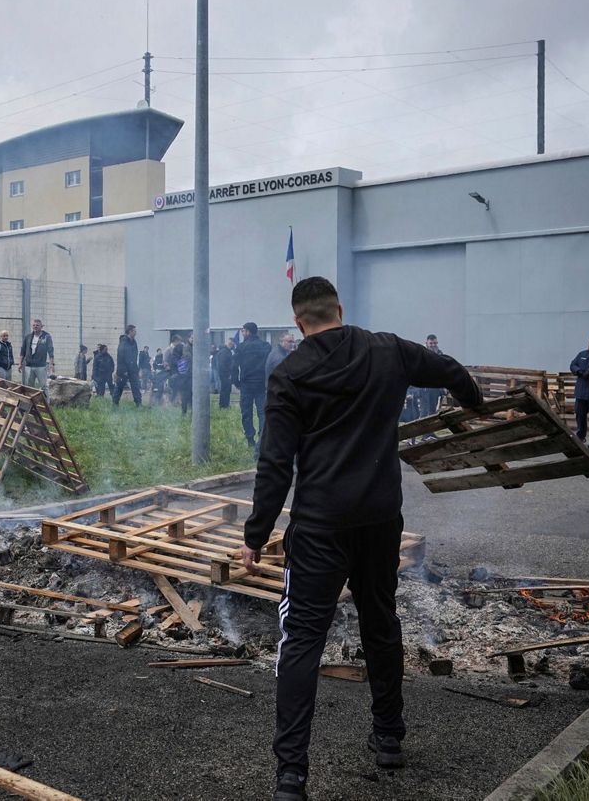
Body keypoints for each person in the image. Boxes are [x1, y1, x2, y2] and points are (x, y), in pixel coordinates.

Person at [242, 278, 482, 797]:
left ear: (298, 322)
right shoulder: (387, 348)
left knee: (302, 640)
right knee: (380, 621)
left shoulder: (290, 373)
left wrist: (256, 533)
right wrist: (475, 404)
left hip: (320, 526)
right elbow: (451, 371)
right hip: (379, 518)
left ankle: (291, 777)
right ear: (339, 310)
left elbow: (275, 464)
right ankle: (389, 737)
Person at [234, 322, 273, 457]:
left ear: (248, 332)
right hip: (261, 384)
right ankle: (262, 439)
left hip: (246, 384)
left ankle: (250, 439)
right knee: (262, 413)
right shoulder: (266, 346)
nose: (242, 334)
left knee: (246, 412)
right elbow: (270, 364)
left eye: (243, 331)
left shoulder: (241, 347)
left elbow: (234, 367)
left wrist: (236, 382)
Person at [569, 335, 589, 443]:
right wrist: (578, 371)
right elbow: (573, 365)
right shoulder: (582, 354)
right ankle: (580, 437)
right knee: (580, 415)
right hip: (581, 391)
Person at [19, 318, 54, 390]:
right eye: (34, 325)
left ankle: (46, 401)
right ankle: (30, 400)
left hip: (41, 366)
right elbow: (23, 351)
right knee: (29, 387)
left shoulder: (46, 337)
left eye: (37, 325)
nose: (35, 326)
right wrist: (20, 363)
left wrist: (51, 364)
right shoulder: (28, 337)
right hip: (29, 366)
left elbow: (51, 351)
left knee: (44, 386)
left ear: (41, 326)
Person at [113, 324, 142, 407]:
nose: (136, 332)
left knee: (135, 386)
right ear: (130, 331)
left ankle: (138, 403)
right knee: (119, 387)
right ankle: (115, 404)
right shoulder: (124, 342)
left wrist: (137, 369)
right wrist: (123, 370)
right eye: (134, 331)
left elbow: (134, 357)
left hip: (132, 369)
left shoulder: (134, 342)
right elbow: (121, 358)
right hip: (124, 369)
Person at [177, 335, 195, 415]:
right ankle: (184, 412)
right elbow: (189, 358)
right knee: (185, 394)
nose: (193, 339)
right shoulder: (186, 347)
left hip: (192, 374)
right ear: (188, 338)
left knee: (192, 394)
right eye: (192, 338)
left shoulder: (194, 347)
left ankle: (192, 412)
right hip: (187, 375)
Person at [215, 338, 235, 409]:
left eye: (232, 343)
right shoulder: (224, 352)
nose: (231, 345)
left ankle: (225, 404)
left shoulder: (227, 351)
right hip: (225, 374)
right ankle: (224, 405)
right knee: (225, 390)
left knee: (226, 389)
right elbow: (222, 364)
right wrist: (228, 374)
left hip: (225, 374)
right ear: (227, 343)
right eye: (230, 343)